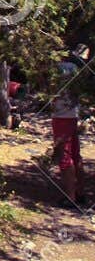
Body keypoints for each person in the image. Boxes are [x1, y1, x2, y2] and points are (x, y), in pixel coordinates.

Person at [49, 50, 87, 207]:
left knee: (64, 156)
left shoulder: (57, 69)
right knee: (75, 154)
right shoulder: (77, 69)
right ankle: (80, 192)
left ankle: (70, 197)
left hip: (62, 116)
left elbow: (51, 92)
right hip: (73, 114)